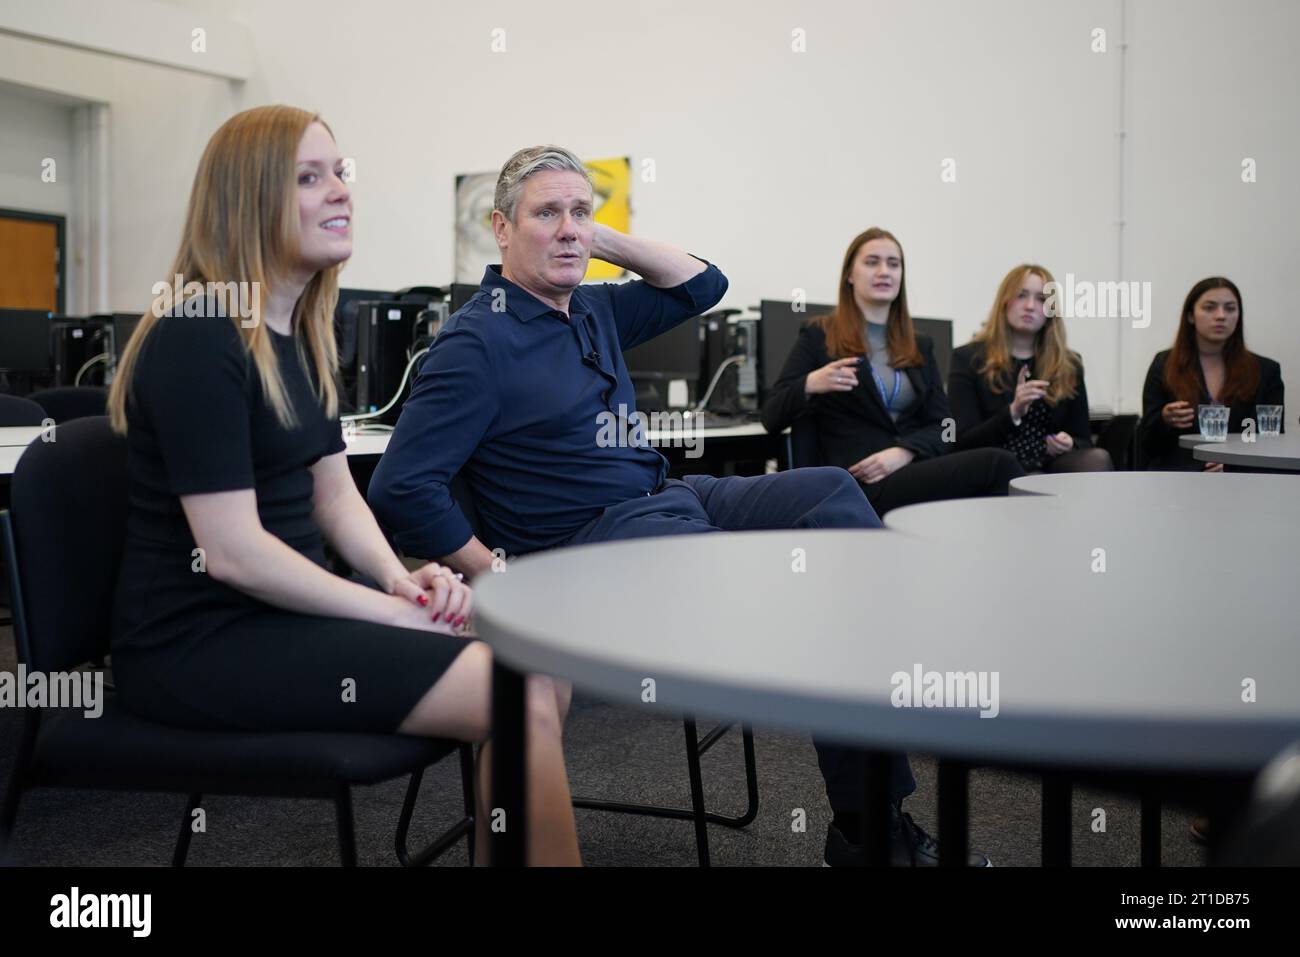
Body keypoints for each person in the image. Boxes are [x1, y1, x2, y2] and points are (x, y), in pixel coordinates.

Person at [369, 147, 988, 865]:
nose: (569, 228)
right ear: (501, 229)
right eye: (547, 214)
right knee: (823, 595)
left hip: (667, 499)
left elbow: (706, 283)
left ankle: (866, 811)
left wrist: (590, 239)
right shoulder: (474, 341)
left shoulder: (594, 307)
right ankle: (873, 819)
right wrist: (499, 577)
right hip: (591, 545)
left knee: (831, 494)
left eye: (581, 211)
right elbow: (399, 487)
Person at [107, 107, 580, 866]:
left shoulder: (297, 332)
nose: (341, 192)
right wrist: (391, 614)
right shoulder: (199, 332)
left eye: (339, 172)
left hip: (278, 619)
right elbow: (231, 554)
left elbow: (333, 495)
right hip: (196, 643)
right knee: (517, 695)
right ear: (246, 198)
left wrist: (403, 579)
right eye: (308, 177)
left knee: (542, 667)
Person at [761, 227, 1023, 516]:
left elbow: (944, 427)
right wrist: (810, 383)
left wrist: (905, 451)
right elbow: (771, 416)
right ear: (850, 274)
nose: (884, 271)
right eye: (872, 262)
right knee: (999, 465)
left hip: (907, 468)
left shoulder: (919, 345)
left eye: (893, 264)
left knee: (999, 468)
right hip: (855, 481)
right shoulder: (819, 335)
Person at [948, 263, 1111, 473]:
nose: (1030, 306)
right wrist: (1013, 411)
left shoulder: (1069, 364)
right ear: (1004, 302)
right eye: (1021, 295)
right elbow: (960, 441)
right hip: (994, 463)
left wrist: (1070, 444)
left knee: (1097, 458)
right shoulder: (968, 358)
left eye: (1041, 299)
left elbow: (1084, 439)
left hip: (1049, 464)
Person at [1138, 277, 1284, 471]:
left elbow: (1271, 440)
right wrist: (1164, 420)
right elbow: (1146, 443)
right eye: (1209, 308)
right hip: (1179, 479)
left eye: (1230, 308)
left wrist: (1233, 466)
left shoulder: (1266, 370)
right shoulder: (1164, 364)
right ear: (1190, 315)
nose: (1221, 316)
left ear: (1239, 316)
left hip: (1244, 478)